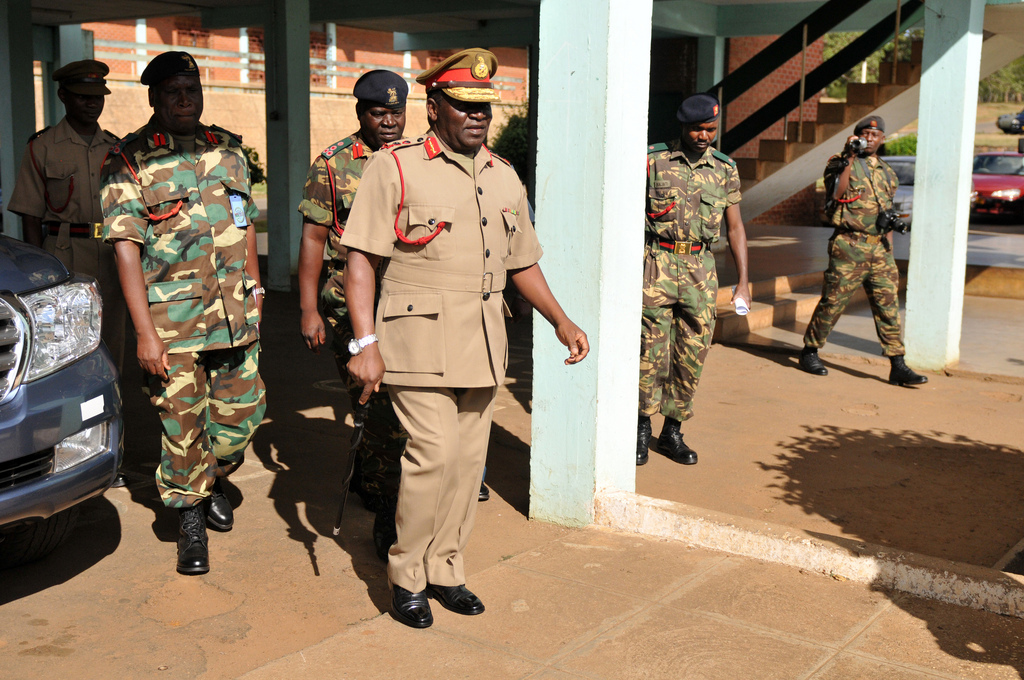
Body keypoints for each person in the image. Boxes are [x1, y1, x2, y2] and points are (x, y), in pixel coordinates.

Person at [341, 48, 589, 629]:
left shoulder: (504, 177)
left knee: (468, 461)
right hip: (415, 338)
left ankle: (446, 569)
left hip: (481, 340)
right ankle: (406, 576)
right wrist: (364, 344)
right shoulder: (395, 166)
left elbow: (521, 263)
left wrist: (561, 319)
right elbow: (360, 261)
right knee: (434, 454)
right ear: (434, 107)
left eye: (484, 108)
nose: (476, 117)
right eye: (463, 106)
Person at [101, 51, 266, 575]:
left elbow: (246, 226)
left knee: (240, 420)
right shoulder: (128, 161)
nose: (185, 100)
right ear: (154, 97)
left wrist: (257, 288)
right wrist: (144, 334)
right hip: (174, 326)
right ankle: (189, 521)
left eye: (191, 90)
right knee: (182, 426)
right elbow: (125, 250)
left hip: (236, 316)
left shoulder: (229, 150)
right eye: (173, 92)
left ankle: (211, 475)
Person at [296, 69, 408, 561]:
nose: (388, 122)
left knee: (404, 397)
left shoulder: (415, 159)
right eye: (378, 113)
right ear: (361, 113)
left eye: (396, 112)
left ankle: (377, 474)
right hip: (347, 300)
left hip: (404, 298)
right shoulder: (334, 164)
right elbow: (314, 240)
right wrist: (307, 309)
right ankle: (387, 507)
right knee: (376, 403)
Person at [637, 93, 751, 467]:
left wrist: (743, 280)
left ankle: (672, 431)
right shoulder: (653, 160)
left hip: (701, 269)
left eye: (711, 129)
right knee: (649, 352)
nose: (704, 136)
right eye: (698, 129)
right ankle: (639, 428)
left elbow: (735, 228)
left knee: (692, 353)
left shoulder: (724, 168)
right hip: (658, 262)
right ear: (683, 126)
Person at [7, 61, 128, 382]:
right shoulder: (43, 146)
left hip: (111, 254)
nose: (92, 104)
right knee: (62, 342)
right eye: (82, 96)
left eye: (98, 97)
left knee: (112, 338)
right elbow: (30, 215)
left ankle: (109, 403)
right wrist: (36, 276)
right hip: (63, 256)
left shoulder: (116, 148)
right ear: (62, 95)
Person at [798, 115, 927, 387]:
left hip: (879, 249)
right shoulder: (839, 162)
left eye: (875, 134)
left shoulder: (887, 173)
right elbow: (837, 193)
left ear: (882, 140)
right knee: (833, 302)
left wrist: (889, 249)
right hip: (849, 246)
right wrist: (848, 157)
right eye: (864, 133)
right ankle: (810, 351)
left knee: (888, 307)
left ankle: (897, 363)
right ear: (856, 136)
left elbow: (887, 213)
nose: (870, 137)